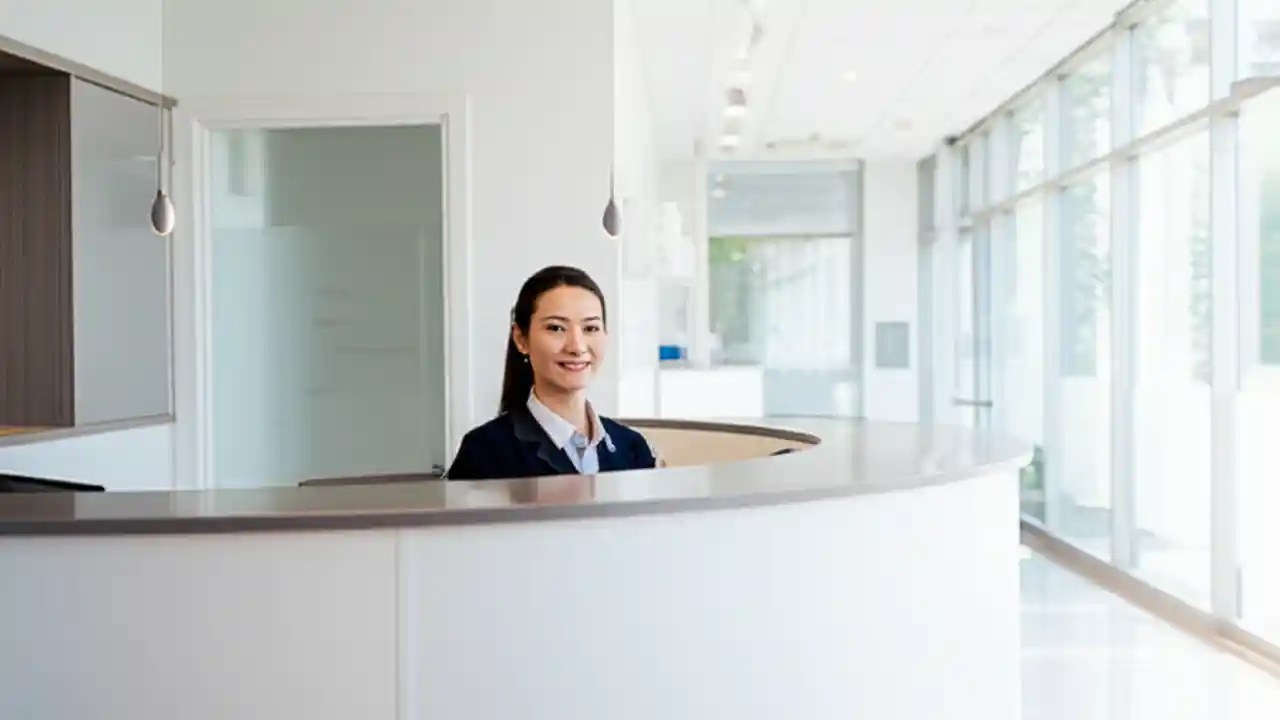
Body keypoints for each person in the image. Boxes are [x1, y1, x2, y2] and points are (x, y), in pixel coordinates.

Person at [445, 265, 657, 481]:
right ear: (521, 338)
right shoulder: (485, 451)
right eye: (556, 328)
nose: (577, 346)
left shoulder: (632, 449)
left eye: (590, 328)